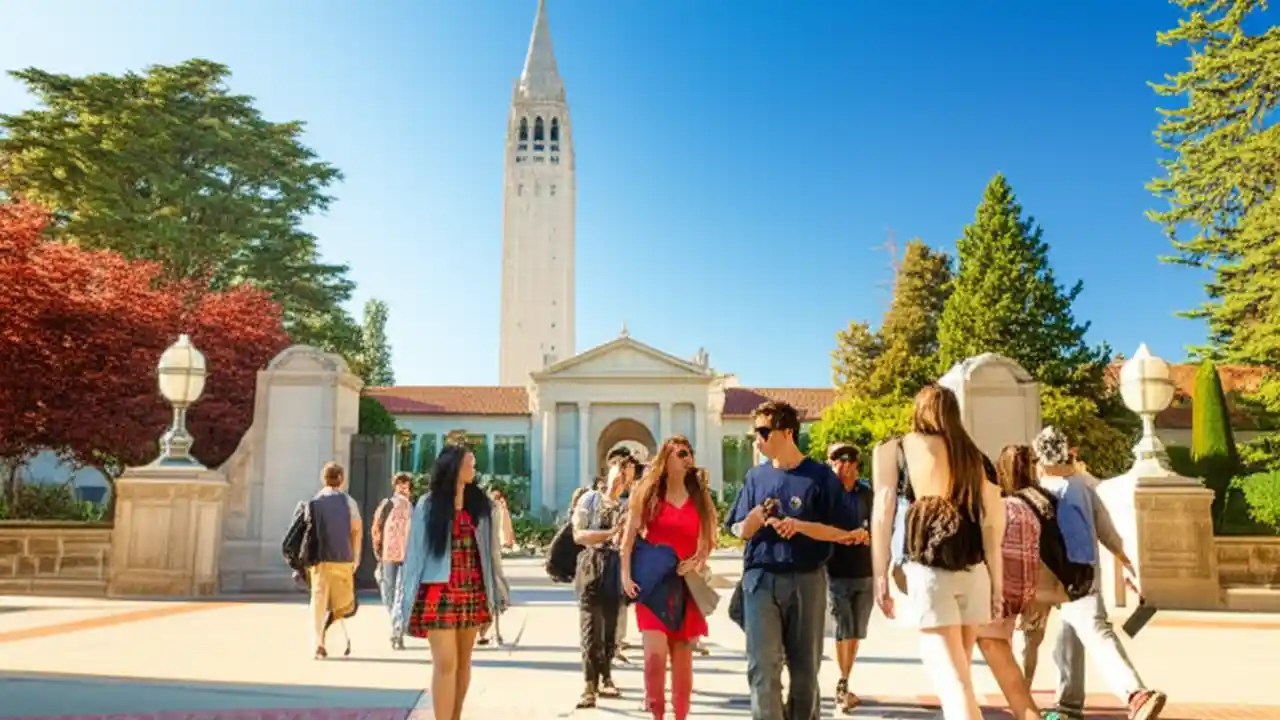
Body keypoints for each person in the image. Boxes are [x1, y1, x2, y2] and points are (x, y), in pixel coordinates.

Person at [870, 385, 1005, 720]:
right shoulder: (974, 456)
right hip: (974, 572)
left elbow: (882, 514)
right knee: (960, 680)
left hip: (929, 570)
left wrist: (880, 576)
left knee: (952, 682)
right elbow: (992, 525)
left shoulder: (894, 449)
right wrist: (998, 587)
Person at [725, 400, 859, 720]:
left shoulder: (820, 477)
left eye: (762, 431)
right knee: (762, 667)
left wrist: (800, 527)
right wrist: (756, 518)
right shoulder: (755, 477)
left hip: (807, 579)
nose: (756, 438)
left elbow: (843, 531)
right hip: (760, 578)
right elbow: (737, 527)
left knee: (804, 672)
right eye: (754, 432)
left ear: (787, 432)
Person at [1030, 427, 1167, 720]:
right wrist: (1124, 558)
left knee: (1095, 632)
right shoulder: (1082, 484)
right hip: (1087, 572)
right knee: (1069, 637)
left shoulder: (1045, 489)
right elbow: (1105, 528)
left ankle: (1135, 694)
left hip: (1067, 578)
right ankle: (1068, 705)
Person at [395, 445, 510, 720]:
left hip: (472, 588)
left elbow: (492, 553)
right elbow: (414, 556)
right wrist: (403, 602)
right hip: (438, 590)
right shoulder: (428, 505)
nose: (474, 469)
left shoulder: (482, 506)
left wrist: (497, 593)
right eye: (469, 464)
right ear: (454, 469)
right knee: (445, 663)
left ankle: (455, 716)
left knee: (463, 662)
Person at [620, 436, 716, 720]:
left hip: (687, 587)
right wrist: (626, 576)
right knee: (654, 656)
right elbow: (628, 539)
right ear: (667, 459)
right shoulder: (648, 493)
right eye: (682, 454)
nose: (688, 459)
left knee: (683, 659)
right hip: (654, 586)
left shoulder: (699, 495)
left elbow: (709, 539)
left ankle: (681, 716)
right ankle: (657, 714)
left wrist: (698, 560)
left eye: (691, 453)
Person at [975, 445, 1054, 720]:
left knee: (989, 652)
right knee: (1009, 652)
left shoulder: (998, 507)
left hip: (997, 592)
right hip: (1026, 589)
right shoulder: (1033, 505)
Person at [571, 451, 633, 708]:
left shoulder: (627, 506)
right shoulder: (590, 499)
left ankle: (606, 675)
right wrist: (608, 533)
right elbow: (579, 535)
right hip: (591, 565)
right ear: (609, 471)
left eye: (626, 472)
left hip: (615, 567)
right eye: (619, 469)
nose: (621, 477)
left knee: (610, 628)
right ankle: (589, 683)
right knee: (590, 628)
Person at [824, 443, 874, 714]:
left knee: (856, 632)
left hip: (864, 570)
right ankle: (842, 684)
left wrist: (869, 537)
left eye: (846, 461)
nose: (842, 466)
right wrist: (844, 536)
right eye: (836, 461)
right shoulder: (825, 495)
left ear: (855, 464)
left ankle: (846, 680)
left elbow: (880, 523)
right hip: (836, 570)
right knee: (843, 629)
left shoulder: (866, 493)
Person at [307, 461, 362, 660]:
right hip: (343, 559)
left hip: (320, 560)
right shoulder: (348, 502)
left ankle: (318, 642)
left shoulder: (315, 501)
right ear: (342, 479)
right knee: (341, 604)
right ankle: (329, 635)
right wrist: (355, 557)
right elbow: (356, 529)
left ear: (323, 478)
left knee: (318, 601)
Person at [371, 472, 414, 650]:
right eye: (400, 485)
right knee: (390, 591)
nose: (404, 488)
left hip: (405, 555)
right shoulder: (387, 504)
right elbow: (377, 528)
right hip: (390, 554)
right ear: (394, 486)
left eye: (406, 485)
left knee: (398, 592)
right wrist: (378, 551)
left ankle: (397, 627)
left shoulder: (412, 507)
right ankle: (396, 624)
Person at [478, 487, 515, 646]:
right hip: (484, 561)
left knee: (493, 594)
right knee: (490, 595)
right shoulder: (487, 510)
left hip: (490, 560)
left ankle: (492, 632)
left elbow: (502, 535)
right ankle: (489, 632)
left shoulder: (493, 509)